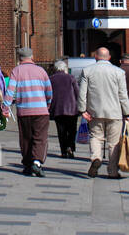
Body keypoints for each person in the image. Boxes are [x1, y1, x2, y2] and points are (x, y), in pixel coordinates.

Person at [78, 46, 129, 179]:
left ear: (95, 56)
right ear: (110, 58)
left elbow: (82, 92)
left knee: (96, 137)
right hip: (115, 112)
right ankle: (112, 171)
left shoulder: (87, 71)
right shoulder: (119, 72)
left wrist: (82, 110)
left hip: (95, 111)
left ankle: (96, 158)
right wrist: (127, 113)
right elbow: (123, 95)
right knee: (114, 143)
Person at [3, 47, 53, 177]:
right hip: (41, 110)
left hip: (24, 110)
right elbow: (49, 91)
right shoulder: (41, 71)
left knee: (26, 138)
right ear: (32, 57)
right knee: (40, 137)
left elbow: (10, 91)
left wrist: (5, 107)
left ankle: (27, 164)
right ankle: (36, 163)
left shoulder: (16, 71)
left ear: (19, 58)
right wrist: (47, 104)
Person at [49, 59, 79, 157]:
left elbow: (49, 94)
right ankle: (70, 147)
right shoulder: (71, 78)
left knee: (61, 131)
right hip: (72, 108)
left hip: (58, 108)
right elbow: (77, 92)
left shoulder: (51, 79)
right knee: (72, 130)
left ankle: (63, 151)